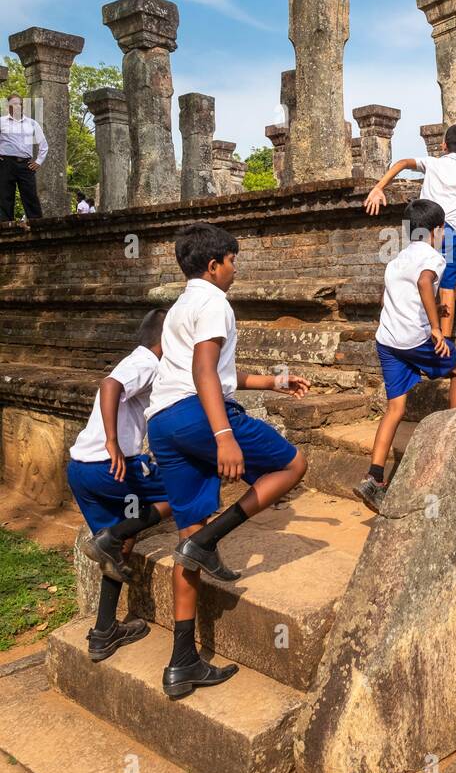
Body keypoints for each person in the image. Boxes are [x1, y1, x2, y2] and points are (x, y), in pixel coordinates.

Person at [145, 222, 311, 698]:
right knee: (293, 465)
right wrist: (224, 436)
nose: (235, 269)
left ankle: (182, 663)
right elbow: (203, 372)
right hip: (200, 416)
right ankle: (211, 541)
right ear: (215, 265)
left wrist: (273, 382)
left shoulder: (181, 306)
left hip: (165, 423)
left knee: (187, 537)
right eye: (233, 261)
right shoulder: (215, 302)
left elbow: (215, 369)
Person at [67, 309, 173, 662]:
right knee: (184, 492)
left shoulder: (142, 361)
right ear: (165, 340)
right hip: (111, 466)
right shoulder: (146, 361)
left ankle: (103, 632)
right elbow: (110, 385)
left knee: (118, 549)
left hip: (81, 470)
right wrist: (113, 441)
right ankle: (111, 538)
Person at [354, 198, 456, 512]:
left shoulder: (397, 259)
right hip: (414, 339)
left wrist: (433, 307)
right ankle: (453, 437)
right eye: (443, 229)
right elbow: (423, 281)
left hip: (387, 339)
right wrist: (435, 327)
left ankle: (374, 478)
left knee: (395, 408)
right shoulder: (434, 256)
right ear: (437, 229)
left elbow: (390, 296)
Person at [363, 123, 456, 340]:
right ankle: (445, 341)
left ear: (443, 145)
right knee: (447, 285)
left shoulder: (432, 163)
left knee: (448, 269)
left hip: (422, 228)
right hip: (447, 230)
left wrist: (379, 187)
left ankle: (426, 321)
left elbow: (402, 162)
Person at [0, 93, 47, 222]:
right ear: (8, 107)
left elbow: (43, 144)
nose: (16, 106)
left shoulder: (32, 123)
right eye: (13, 104)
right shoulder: (1, 121)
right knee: (5, 195)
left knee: (30, 195)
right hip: (5, 163)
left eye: (19, 103)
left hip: (25, 164)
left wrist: (38, 161)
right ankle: (5, 225)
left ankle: (37, 224)